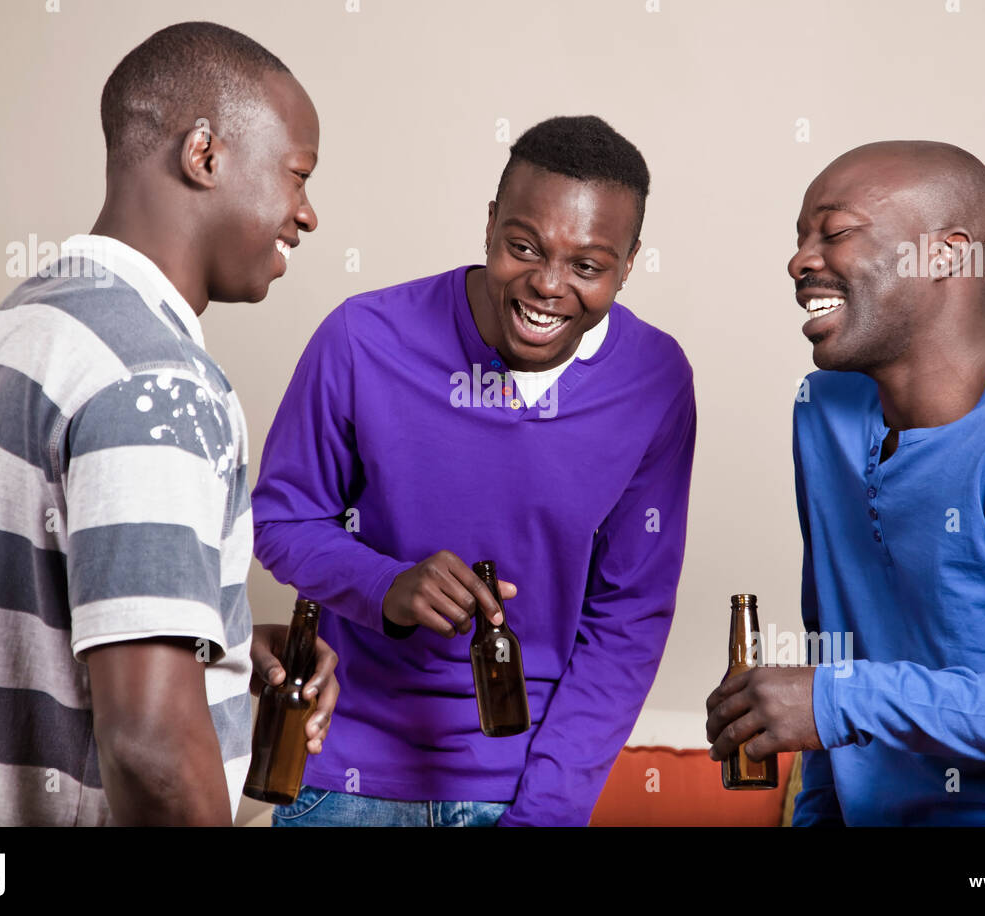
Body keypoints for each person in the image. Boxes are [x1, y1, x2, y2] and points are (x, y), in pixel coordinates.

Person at [0, 21, 339, 825]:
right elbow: (149, 743)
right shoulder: (157, 382)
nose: (306, 215)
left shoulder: (13, 335)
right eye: (297, 176)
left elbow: (37, 619)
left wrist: (215, 640)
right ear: (205, 155)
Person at [252, 115, 696, 826]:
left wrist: (546, 812)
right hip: (347, 782)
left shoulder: (654, 379)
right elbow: (281, 519)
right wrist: (387, 584)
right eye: (523, 247)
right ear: (490, 223)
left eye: (588, 266)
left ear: (630, 261)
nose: (548, 285)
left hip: (521, 789)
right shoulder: (363, 338)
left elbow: (628, 615)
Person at [705, 140, 985, 825]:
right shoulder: (823, 413)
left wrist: (837, 698)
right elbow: (837, 639)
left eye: (836, 231)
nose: (799, 261)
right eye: (800, 238)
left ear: (946, 254)